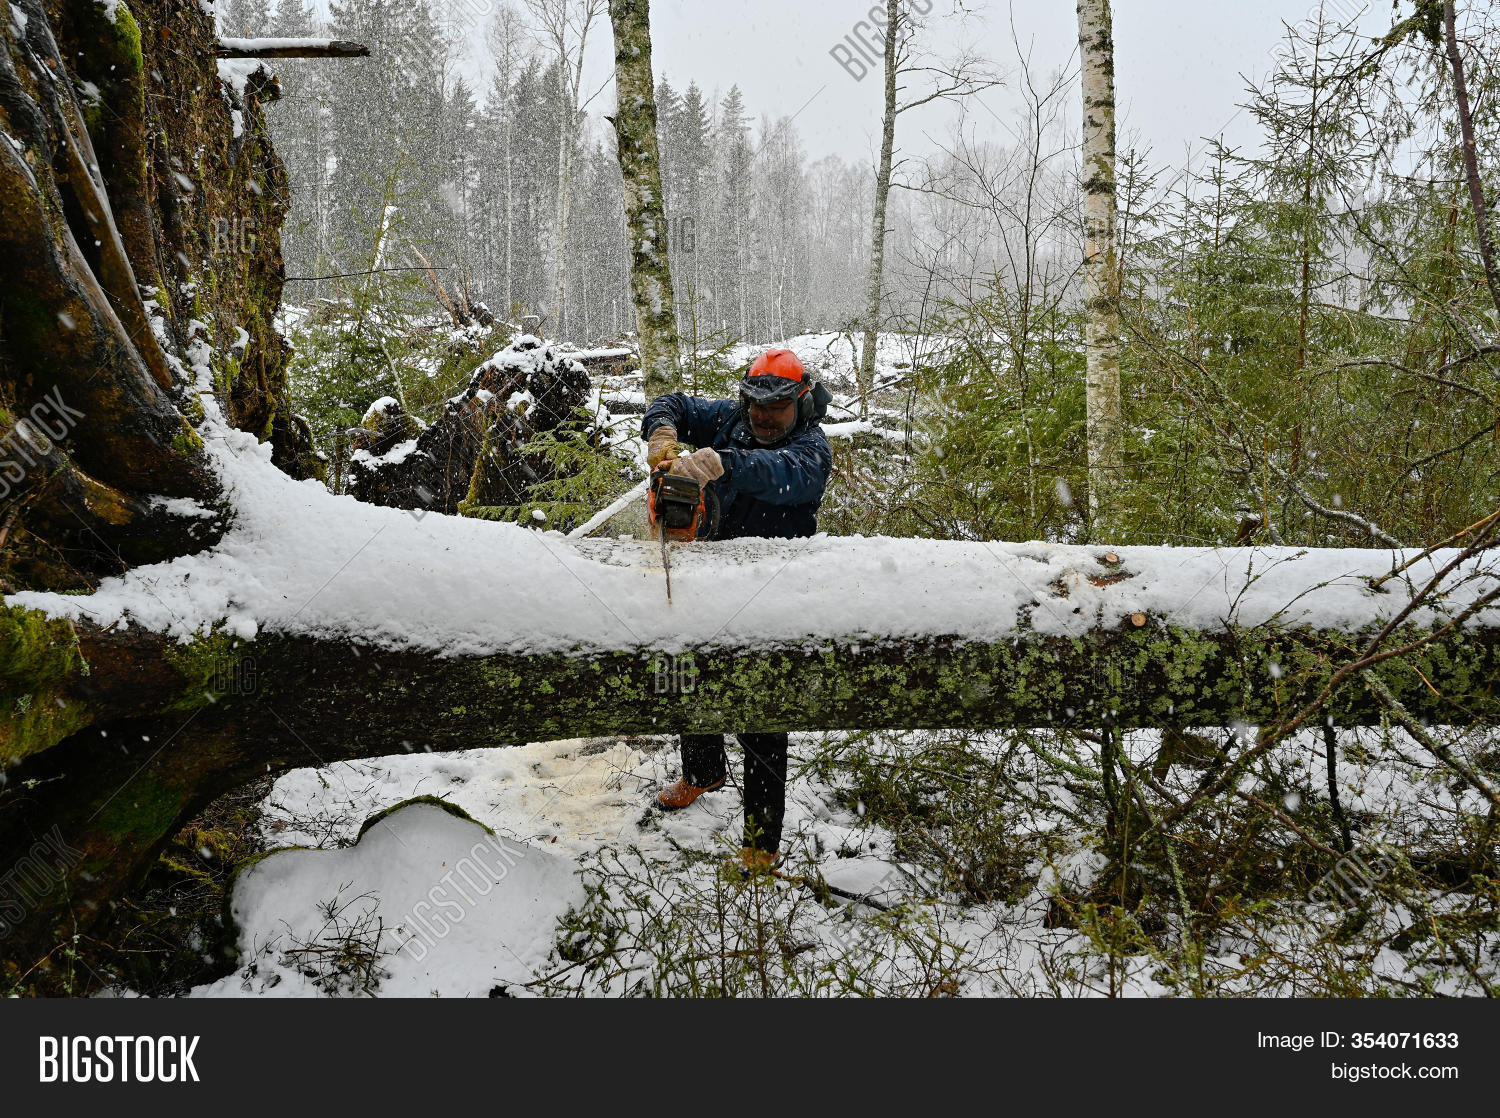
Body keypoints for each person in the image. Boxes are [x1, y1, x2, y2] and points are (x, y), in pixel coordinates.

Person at [641, 348, 834, 871]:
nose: (763, 417)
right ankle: (702, 772)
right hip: (711, 571)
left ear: (801, 402)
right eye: (755, 406)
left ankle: (761, 844)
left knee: (761, 711)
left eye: (776, 408)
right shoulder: (733, 417)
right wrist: (663, 434)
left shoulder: (811, 448)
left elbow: (785, 475)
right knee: (689, 670)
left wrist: (722, 463)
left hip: (771, 588)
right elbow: (674, 403)